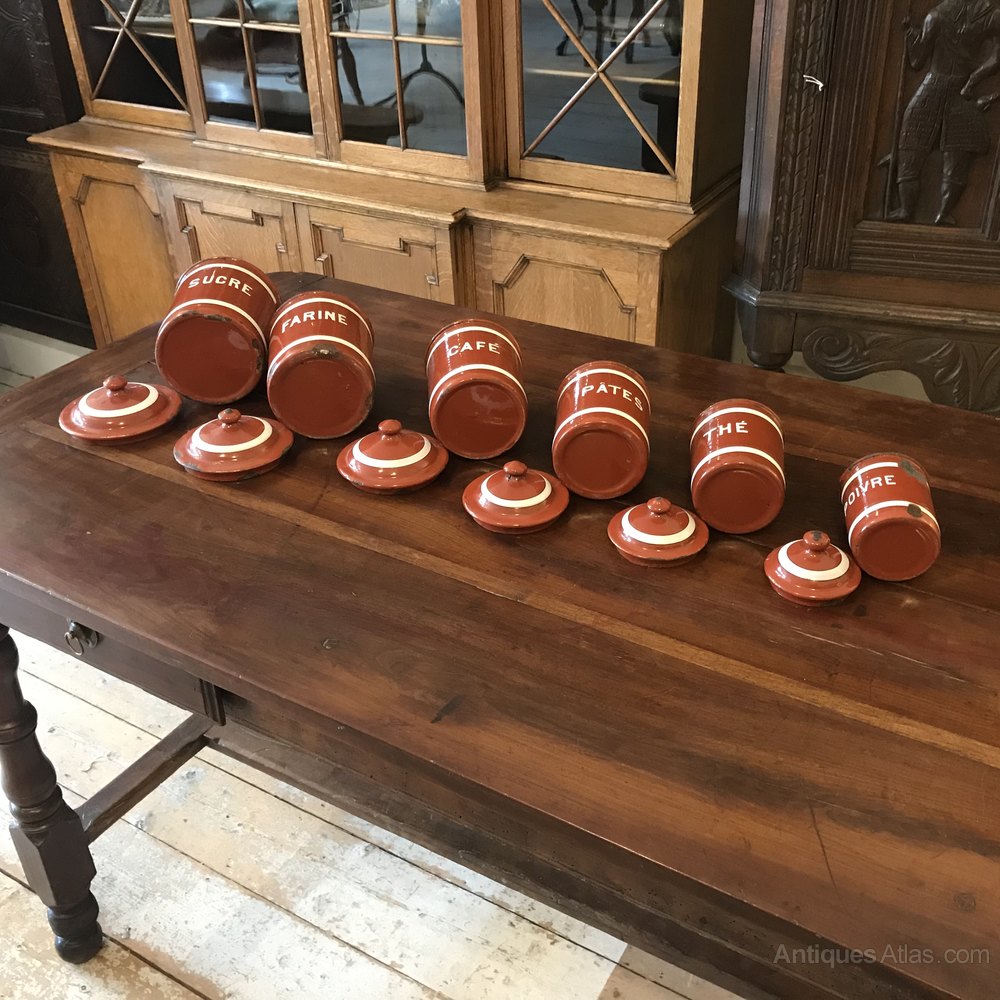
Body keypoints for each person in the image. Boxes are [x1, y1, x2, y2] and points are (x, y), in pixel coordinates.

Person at [891, 0, 1000, 225]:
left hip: (934, 86)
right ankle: (940, 212)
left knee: (914, 146)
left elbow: (916, 60)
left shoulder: (936, 16)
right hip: (962, 89)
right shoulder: (991, 15)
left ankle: (906, 210)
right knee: (955, 152)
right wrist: (973, 79)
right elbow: (996, 59)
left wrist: (911, 34)